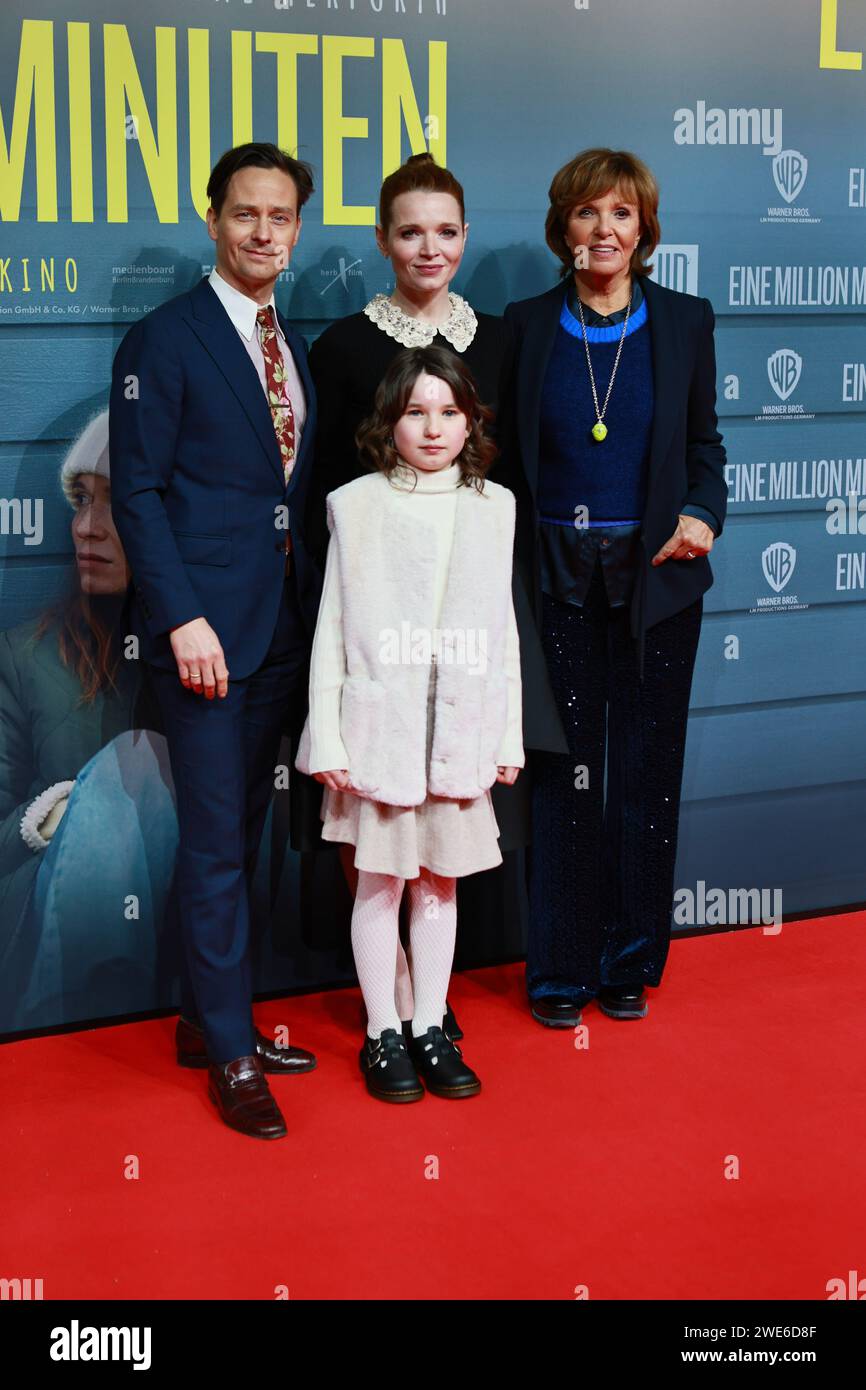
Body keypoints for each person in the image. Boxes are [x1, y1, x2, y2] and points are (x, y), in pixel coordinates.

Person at [299, 151, 565, 1039]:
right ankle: (396, 997)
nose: (429, 247)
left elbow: (513, 468)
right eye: (410, 231)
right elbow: (329, 496)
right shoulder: (340, 346)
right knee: (374, 823)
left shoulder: (501, 339)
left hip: (469, 607)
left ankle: (433, 1004)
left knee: (449, 832)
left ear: (464, 238)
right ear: (383, 240)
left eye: (446, 232)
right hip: (374, 610)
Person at [109, 142, 321, 1141]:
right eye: (245, 214)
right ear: (212, 219)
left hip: (280, 629)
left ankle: (208, 1020)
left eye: (280, 216)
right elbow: (138, 491)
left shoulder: (292, 342)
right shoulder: (166, 339)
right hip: (203, 635)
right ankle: (233, 1055)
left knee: (241, 836)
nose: (263, 232)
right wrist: (180, 616)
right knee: (212, 846)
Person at [496, 148, 727, 1027]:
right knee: (564, 776)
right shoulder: (522, 325)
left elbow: (706, 448)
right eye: (588, 214)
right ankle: (558, 970)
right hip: (553, 581)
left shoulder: (686, 321)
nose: (605, 230)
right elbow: (505, 461)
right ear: (565, 228)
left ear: (644, 230)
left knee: (644, 775)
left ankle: (628, 960)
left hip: (659, 585)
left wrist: (704, 510)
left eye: (622, 215)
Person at [295, 345, 524, 1102]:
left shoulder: (497, 508)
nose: (433, 429)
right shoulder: (355, 506)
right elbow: (333, 627)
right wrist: (325, 735)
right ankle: (380, 1031)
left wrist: (506, 734)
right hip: (379, 734)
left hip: (460, 730)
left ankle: (429, 1023)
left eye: (449, 413)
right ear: (388, 422)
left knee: (440, 887)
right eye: (415, 413)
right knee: (378, 885)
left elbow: (501, 632)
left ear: (472, 422)